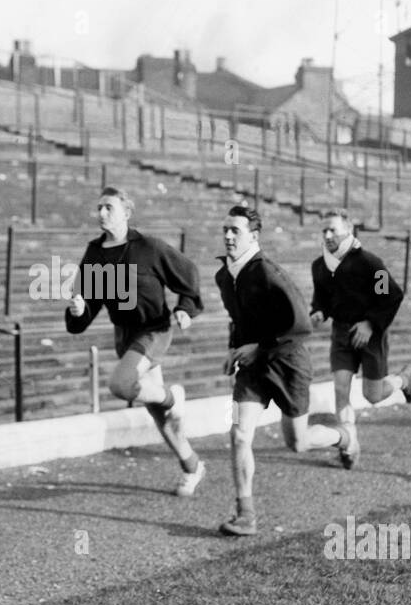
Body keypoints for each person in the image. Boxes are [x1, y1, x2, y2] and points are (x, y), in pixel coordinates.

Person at [214, 206, 350, 535]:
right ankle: (245, 514)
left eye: (236, 230)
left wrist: (258, 347)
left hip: (287, 362)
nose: (229, 236)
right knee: (238, 433)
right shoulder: (224, 275)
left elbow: (301, 324)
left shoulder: (267, 273)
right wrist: (234, 349)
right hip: (252, 368)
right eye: (226, 230)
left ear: (254, 236)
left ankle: (343, 437)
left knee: (298, 443)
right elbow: (240, 319)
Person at [65, 187, 206, 496]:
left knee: (120, 384)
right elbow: (88, 306)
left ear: (126, 213)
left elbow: (189, 276)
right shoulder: (95, 255)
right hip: (125, 336)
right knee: (158, 413)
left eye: (109, 208)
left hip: (154, 330)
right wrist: (79, 309)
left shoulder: (150, 248)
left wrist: (185, 309)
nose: (101, 213)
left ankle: (174, 397)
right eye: (99, 207)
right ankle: (192, 466)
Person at [308, 208, 411, 469]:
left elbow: (391, 296)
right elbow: (321, 298)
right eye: (324, 230)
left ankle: (403, 380)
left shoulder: (370, 263)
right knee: (340, 387)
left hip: (371, 336)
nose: (328, 235)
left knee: (373, 395)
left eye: (333, 229)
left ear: (349, 230)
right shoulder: (320, 266)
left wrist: (370, 323)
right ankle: (350, 445)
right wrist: (319, 312)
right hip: (341, 334)